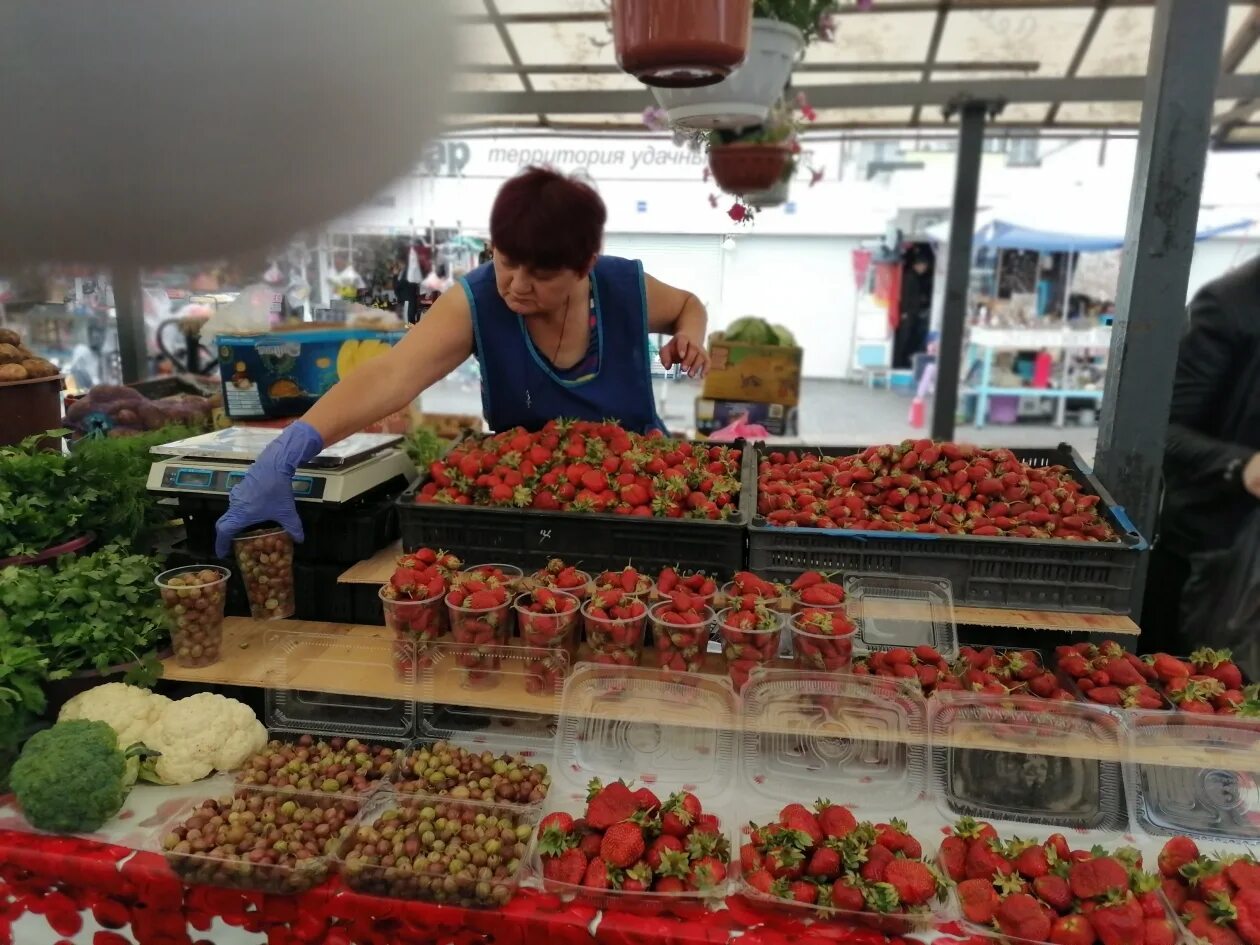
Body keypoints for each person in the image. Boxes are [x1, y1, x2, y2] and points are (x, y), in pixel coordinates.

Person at [213, 166, 710, 555]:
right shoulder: (475, 302)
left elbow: (689, 304)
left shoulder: (622, 286)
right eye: (506, 261)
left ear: (583, 267)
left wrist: (690, 334)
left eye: (540, 274)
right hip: (531, 507)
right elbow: (391, 373)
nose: (516, 284)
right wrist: (287, 451)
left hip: (644, 499)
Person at [1140, 255, 1260, 653]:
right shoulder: (1232, 305)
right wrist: (1242, 467)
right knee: (1198, 696)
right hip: (1211, 565)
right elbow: (1160, 430)